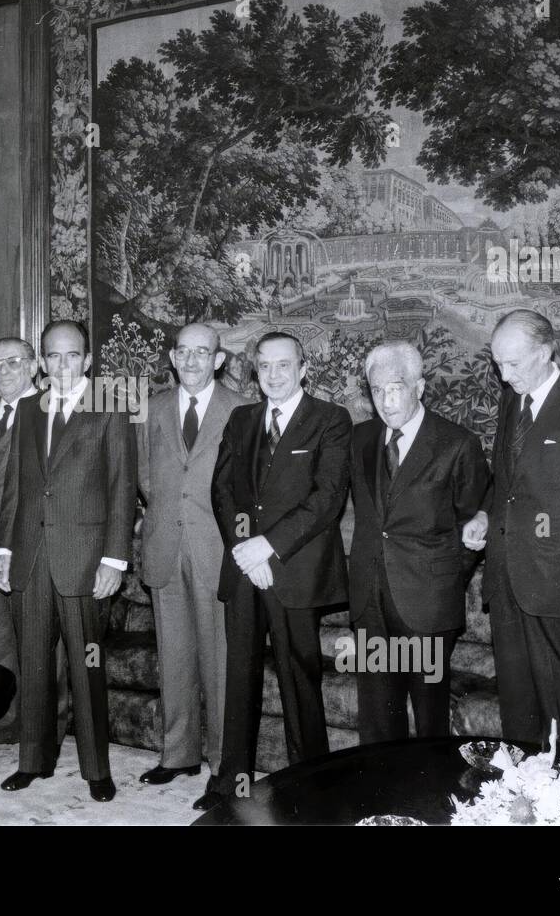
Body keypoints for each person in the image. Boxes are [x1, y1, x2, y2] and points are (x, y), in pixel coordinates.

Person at [196, 332, 351, 813]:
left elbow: (327, 499)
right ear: (255, 371)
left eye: (284, 365)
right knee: (237, 677)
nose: (274, 375)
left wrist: (268, 548)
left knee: (298, 680)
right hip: (244, 569)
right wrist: (245, 550)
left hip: (294, 570)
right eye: (264, 366)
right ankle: (228, 785)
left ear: (303, 368)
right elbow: (222, 491)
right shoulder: (241, 420)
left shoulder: (330, 420)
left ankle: (313, 783)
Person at [462, 310, 560, 761]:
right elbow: (507, 486)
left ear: (548, 351)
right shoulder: (515, 403)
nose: (504, 376)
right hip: (507, 579)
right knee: (519, 711)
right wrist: (486, 518)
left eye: (513, 363)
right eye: (498, 365)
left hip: (558, 584)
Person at [0, 320, 135, 802]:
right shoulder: (29, 409)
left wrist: (114, 560)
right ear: (42, 363)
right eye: (52, 356)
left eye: (71, 355)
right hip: (31, 558)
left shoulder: (110, 408)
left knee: (85, 665)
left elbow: (122, 490)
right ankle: (34, 760)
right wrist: (4, 550)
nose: (62, 365)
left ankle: (97, 769)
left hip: (85, 559)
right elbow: (16, 486)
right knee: (32, 665)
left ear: (88, 361)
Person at [348, 341, 488, 743]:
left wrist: (440, 580)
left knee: (429, 718)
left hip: (426, 604)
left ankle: (432, 801)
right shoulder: (360, 440)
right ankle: (379, 799)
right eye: (377, 391)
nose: (387, 401)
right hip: (371, 600)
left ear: (420, 387)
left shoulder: (456, 443)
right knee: (377, 717)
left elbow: (475, 518)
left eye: (396, 388)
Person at [136, 323, 245, 806]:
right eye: (184, 352)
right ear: (173, 358)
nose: (194, 361)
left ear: (218, 360)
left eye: (204, 353)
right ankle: (177, 753)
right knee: (174, 658)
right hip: (164, 548)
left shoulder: (241, 408)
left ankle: (223, 766)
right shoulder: (151, 408)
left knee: (219, 662)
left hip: (217, 551)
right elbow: (142, 476)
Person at [0, 336, 69, 752]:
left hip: (30, 547)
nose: (3, 372)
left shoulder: (51, 408)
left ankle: (45, 731)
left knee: (42, 644)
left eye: (13, 363)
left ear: (33, 367)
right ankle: (0, 724)